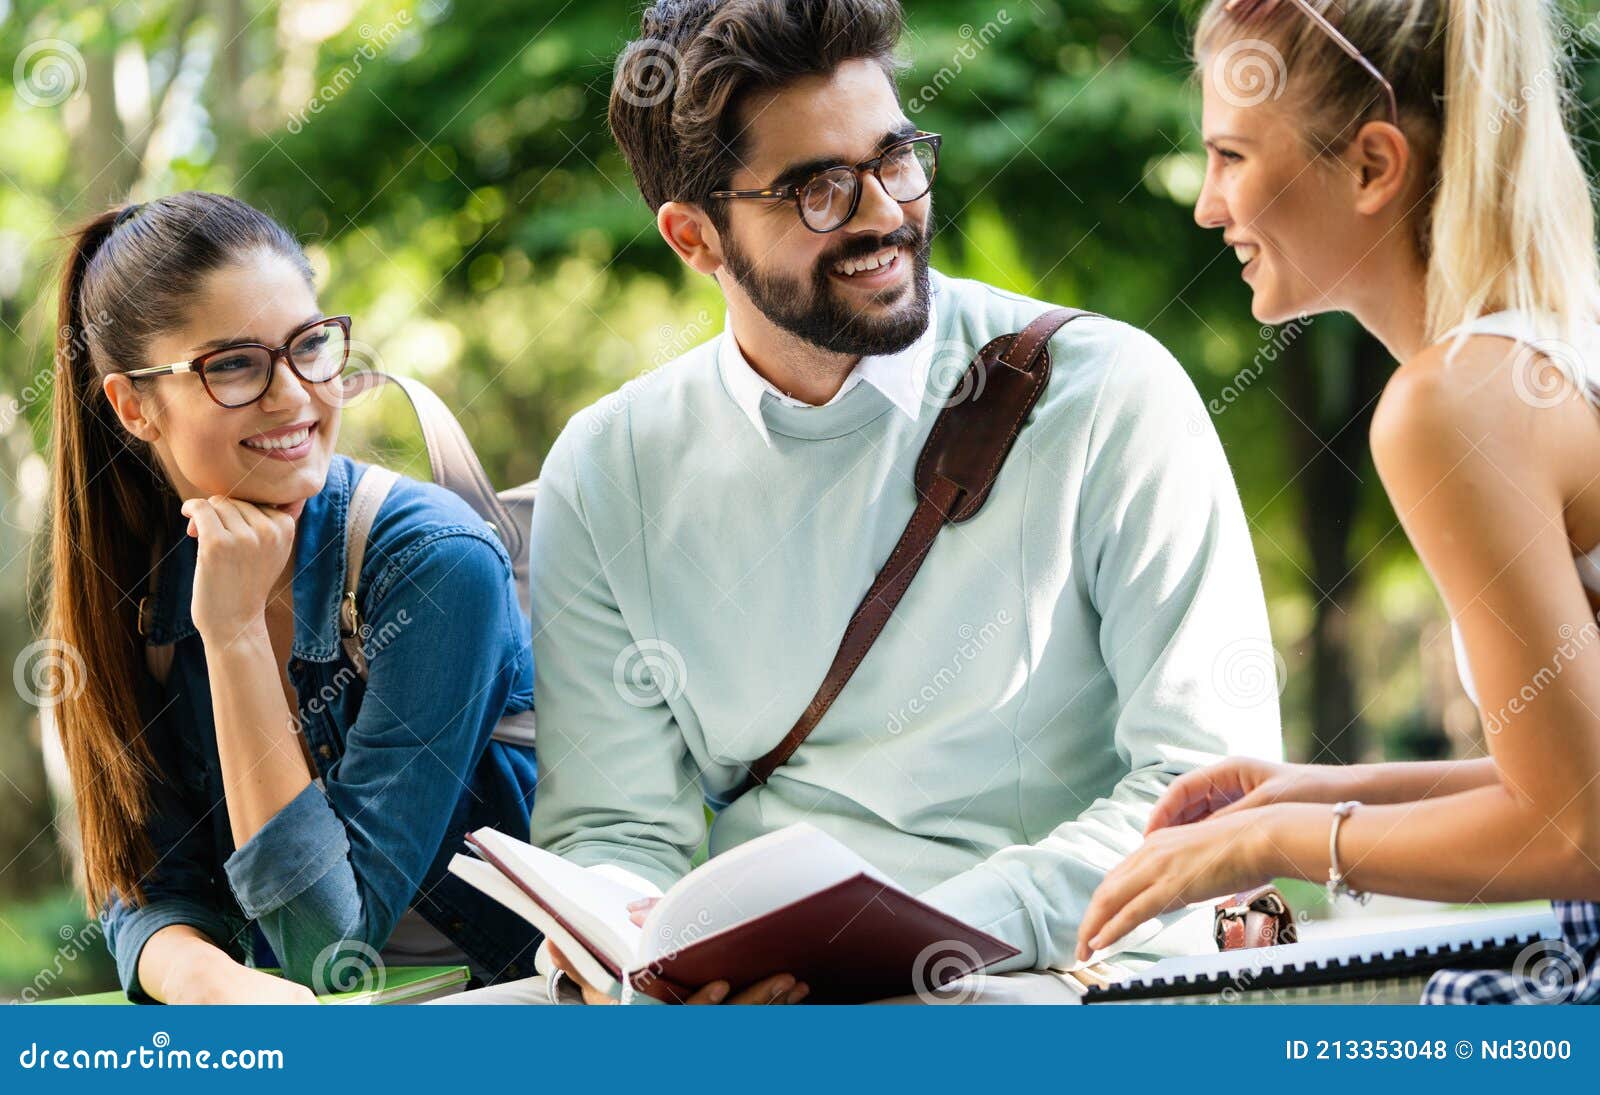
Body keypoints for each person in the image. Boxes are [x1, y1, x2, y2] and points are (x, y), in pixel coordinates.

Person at [511, 0, 1280, 1005]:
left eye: (895, 159)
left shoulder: (1106, 393)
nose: (881, 212)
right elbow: (615, 830)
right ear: (695, 237)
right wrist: (634, 950)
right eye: (817, 188)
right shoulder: (607, 467)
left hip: (1063, 972)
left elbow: (1210, 788)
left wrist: (921, 946)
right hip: (766, 997)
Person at [1077, 0, 1600, 1004]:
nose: (1207, 204)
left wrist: (1275, 840)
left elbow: (1576, 832)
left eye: (1231, 156)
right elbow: (1573, 783)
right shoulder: (1545, 353)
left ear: (1370, 165)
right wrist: (1323, 792)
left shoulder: (1448, 405)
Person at [46, 191, 541, 1002]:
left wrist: (236, 634)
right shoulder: (138, 585)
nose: (294, 395)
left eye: (309, 344)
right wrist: (206, 980)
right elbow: (145, 878)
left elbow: (326, 948)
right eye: (235, 363)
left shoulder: (434, 563)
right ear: (134, 406)